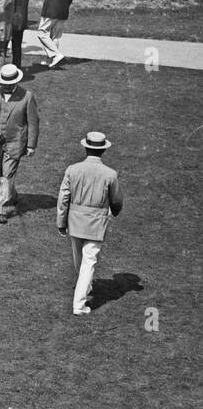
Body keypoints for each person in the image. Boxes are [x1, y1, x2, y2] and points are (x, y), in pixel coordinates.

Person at [58, 132, 123, 315]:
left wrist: (61, 222)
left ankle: (84, 289)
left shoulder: (73, 169)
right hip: (95, 224)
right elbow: (116, 201)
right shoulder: (110, 174)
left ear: (86, 148)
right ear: (102, 151)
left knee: (81, 260)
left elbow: (63, 198)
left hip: (75, 222)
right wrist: (114, 212)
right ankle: (79, 304)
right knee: (88, 261)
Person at [0, 64, 39, 223]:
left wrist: (31, 145)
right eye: (4, 83)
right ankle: (13, 194)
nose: (6, 85)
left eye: (9, 83)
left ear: (15, 81)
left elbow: (33, 123)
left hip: (14, 143)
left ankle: (2, 209)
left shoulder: (27, 96)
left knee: (8, 174)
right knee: (0, 173)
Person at [6, 0, 31, 68]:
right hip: (22, 18)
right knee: (17, 45)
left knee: (3, 46)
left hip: (12, 19)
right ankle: (17, 66)